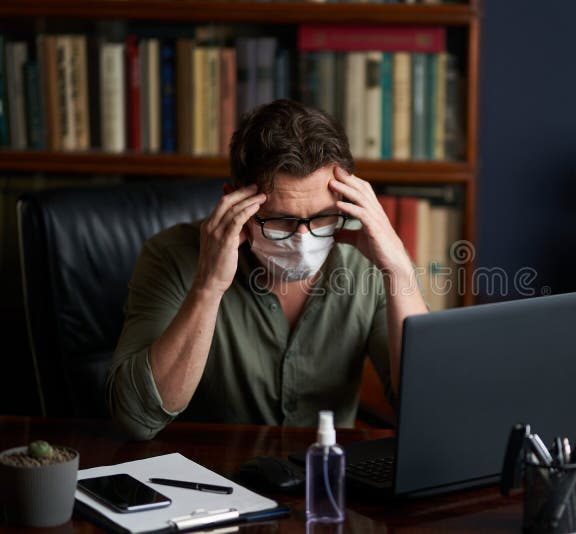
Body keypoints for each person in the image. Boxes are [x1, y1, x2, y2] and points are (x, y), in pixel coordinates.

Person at [107, 100, 427, 440]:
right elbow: (136, 420)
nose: (304, 238)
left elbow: (427, 410)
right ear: (235, 202)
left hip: (327, 476)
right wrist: (208, 285)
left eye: (322, 217)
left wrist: (399, 271)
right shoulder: (172, 255)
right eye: (281, 221)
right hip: (215, 475)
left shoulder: (369, 262)